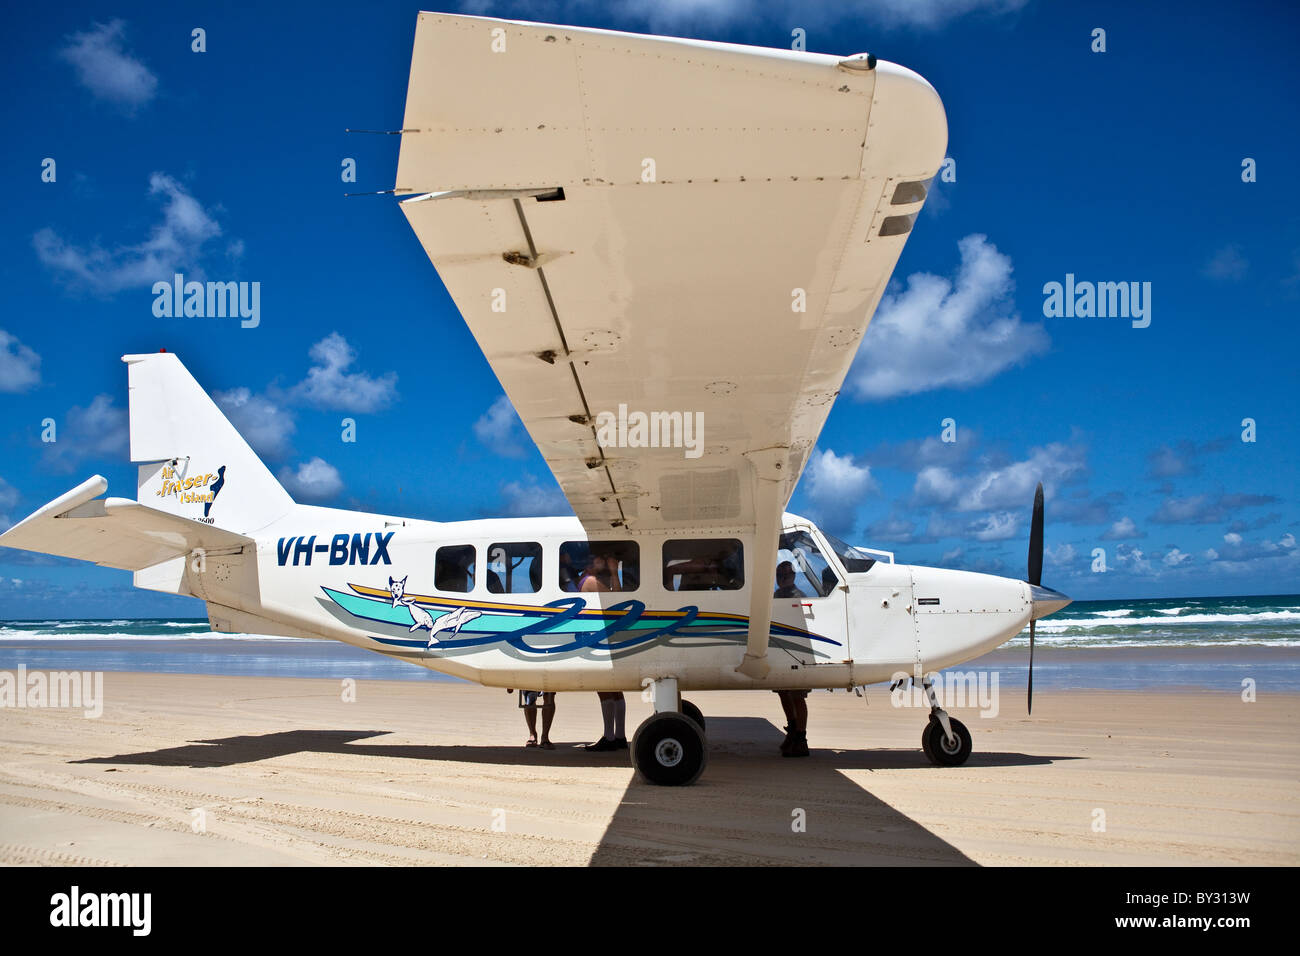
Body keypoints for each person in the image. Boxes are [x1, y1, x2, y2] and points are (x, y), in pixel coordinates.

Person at [580, 551, 628, 751]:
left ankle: (613, 737)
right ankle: (615, 736)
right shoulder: (590, 580)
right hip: (598, 633)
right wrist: (615, 571)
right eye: (599, 559)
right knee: (608, 687)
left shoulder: (594, 580)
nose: (603, 561)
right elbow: (617, 600)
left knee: (609, 688)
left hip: (601, 633)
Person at [773, 560, 810, 756]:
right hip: (782, 651)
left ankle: (801, 738)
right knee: (783, 693)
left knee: (796, 696)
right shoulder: (777, 595)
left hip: (797, 652)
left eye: (786, 575)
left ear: (794, 576)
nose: (783, 578)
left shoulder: (799, 597)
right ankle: (792, 729)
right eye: (780, 575)